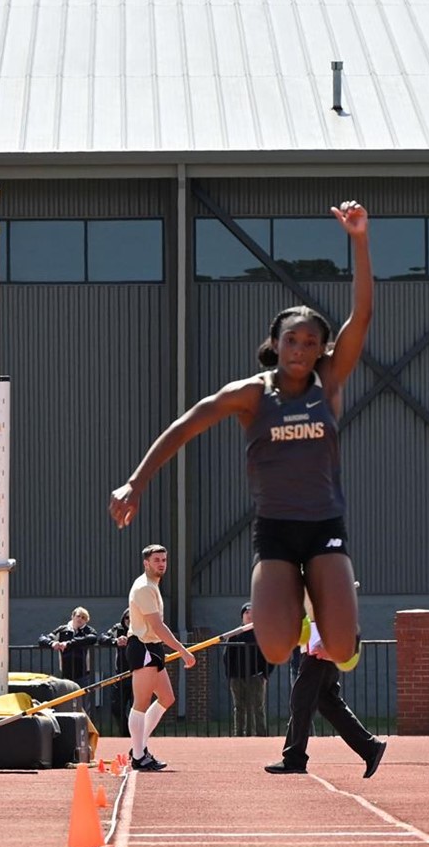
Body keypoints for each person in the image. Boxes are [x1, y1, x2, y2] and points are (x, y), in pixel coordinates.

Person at [112, 201, 374, 671]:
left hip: (324, 526)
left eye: (310, 342)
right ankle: (294, 607)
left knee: (339, 650)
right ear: (275, 344)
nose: (299, 349)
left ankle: (323, 609)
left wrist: (358, 240)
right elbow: (185, 425)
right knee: (273, 649)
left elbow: (363, 315)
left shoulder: (328, 382)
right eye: (291, 340)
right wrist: (137, 481)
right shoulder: (251, 395)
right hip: (275, 529)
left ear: (322, 351)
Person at [263, 607, 387, 775]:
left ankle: (294, 758)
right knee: (327, 703)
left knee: (301, 700)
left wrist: (329, 644)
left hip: (319, 645)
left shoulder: (322, 583)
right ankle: (369, 747)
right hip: (317, 644)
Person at [124, 544, 194, 771]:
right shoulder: (144, 587)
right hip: (143, 646)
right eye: (157, 560)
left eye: (164, 560)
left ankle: (139, 747)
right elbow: (157, 626)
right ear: (146, 563)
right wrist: (182, 651)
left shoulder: (153, 585)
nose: (162, 564)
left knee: (167, 697)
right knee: (141, 703)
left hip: (152, 647)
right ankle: (138, 755)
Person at [222, 602, 272, 736]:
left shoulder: (262, 633)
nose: (249, 615)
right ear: (242, 616)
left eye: (252, 612)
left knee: (258, 708)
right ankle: (239, 735)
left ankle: (261, 736)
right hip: (237, 678)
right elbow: (227, 657)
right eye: (246, 612)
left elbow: (270, 656)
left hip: (257, 676)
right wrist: (230, 676)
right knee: (239, 708)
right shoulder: (234, 634)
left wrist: (265, 675)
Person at [39, 607, 100, 684]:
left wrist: (68, 644)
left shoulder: (88, 631)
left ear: (86, 621)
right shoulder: (62, 630)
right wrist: (52, 643)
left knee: (82, 695)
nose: (80, 619)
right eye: (78, 616)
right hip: (65, 673)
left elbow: (93, 638)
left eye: (83, 618)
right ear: (73, 616)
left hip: (83, 673)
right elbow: (42, 639)